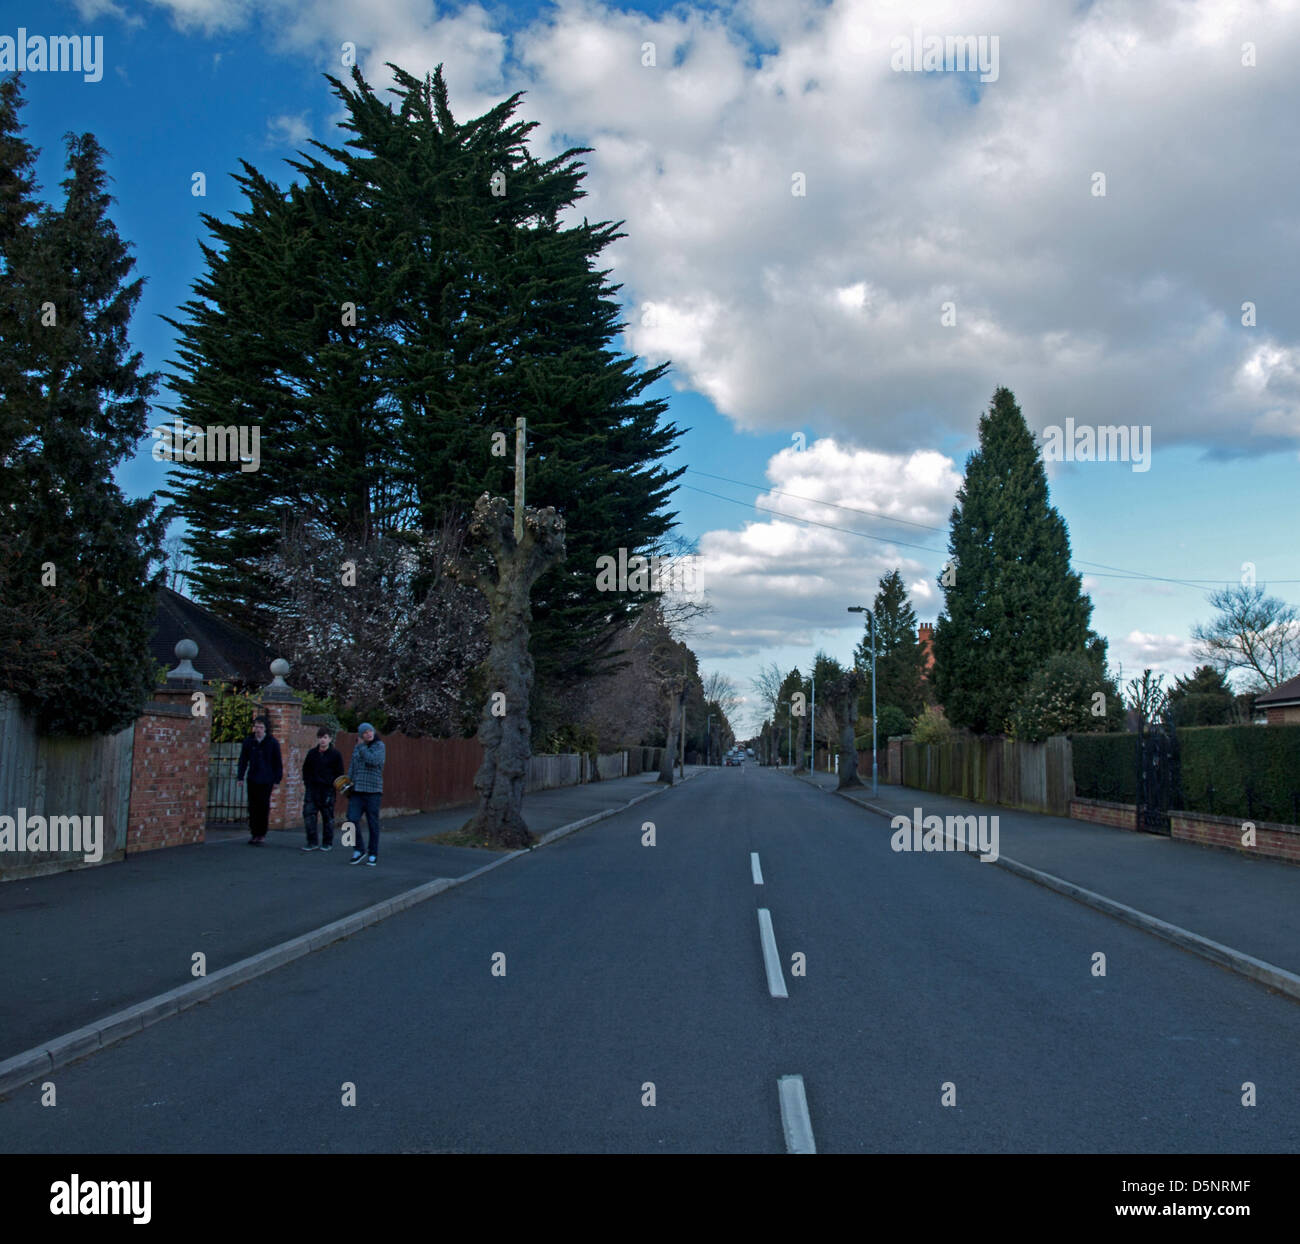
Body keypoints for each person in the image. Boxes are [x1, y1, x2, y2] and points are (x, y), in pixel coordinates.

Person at [236, 715, 283, 845]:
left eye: (261, 727)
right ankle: (254, 833)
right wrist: (240, 776)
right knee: (252, 806)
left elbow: (277, 762)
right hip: (252, 778)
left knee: (263, 806)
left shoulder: (272, 742)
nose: (258, 730)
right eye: (256, 726)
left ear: (265, 729)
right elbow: (243, 760)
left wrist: (277, 780)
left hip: (266, 779)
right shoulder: (249, 742)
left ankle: (261, 833)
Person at [346, 722, 386, 866]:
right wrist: (347, 783)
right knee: (350, 819)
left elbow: (373, 761)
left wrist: (362, 746)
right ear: (361, 735)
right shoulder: (357, 748)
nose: (369, 734)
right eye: (365, 732)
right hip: (357, 790)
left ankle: (373, 853)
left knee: (372, 823)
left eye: (370, 731)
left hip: (373, 791)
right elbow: (352, 766)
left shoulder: (379, 746)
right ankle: (357, 849)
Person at [301, 727, 344, 852]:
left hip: (327, 790)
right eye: (320, 738)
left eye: (325, 737)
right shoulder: (312, 753)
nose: (323, 740)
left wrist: (333, 787)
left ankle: (327, 842)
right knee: (309, 815)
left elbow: (339, 773)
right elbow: (306, 770)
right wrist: (308, 783)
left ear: (330, 739)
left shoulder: (335, 755)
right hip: (313, 788)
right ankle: (312, 841)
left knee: (327, 817)